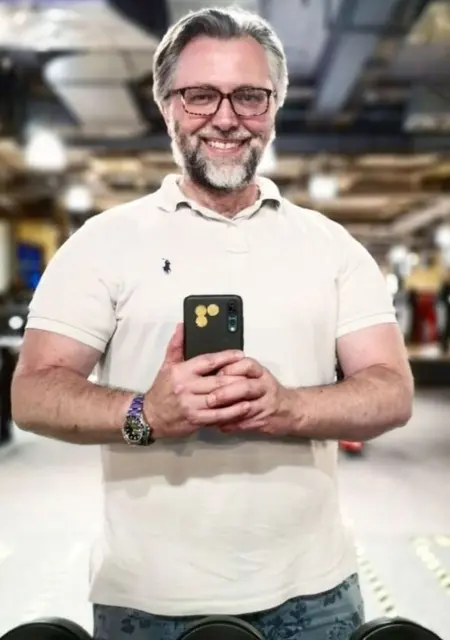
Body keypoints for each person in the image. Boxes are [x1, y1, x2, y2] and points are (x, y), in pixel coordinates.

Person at [11, 7, 414, 640]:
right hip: (147, 603)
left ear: (274, 107)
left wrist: (288, 407)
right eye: (200, 95)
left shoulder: (332, 246)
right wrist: (146, 413)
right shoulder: (102, 244)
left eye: (249, 96)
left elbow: (392, 390)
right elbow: (32, 392)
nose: (226, 118)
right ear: (165, 104)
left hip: (316, 596)